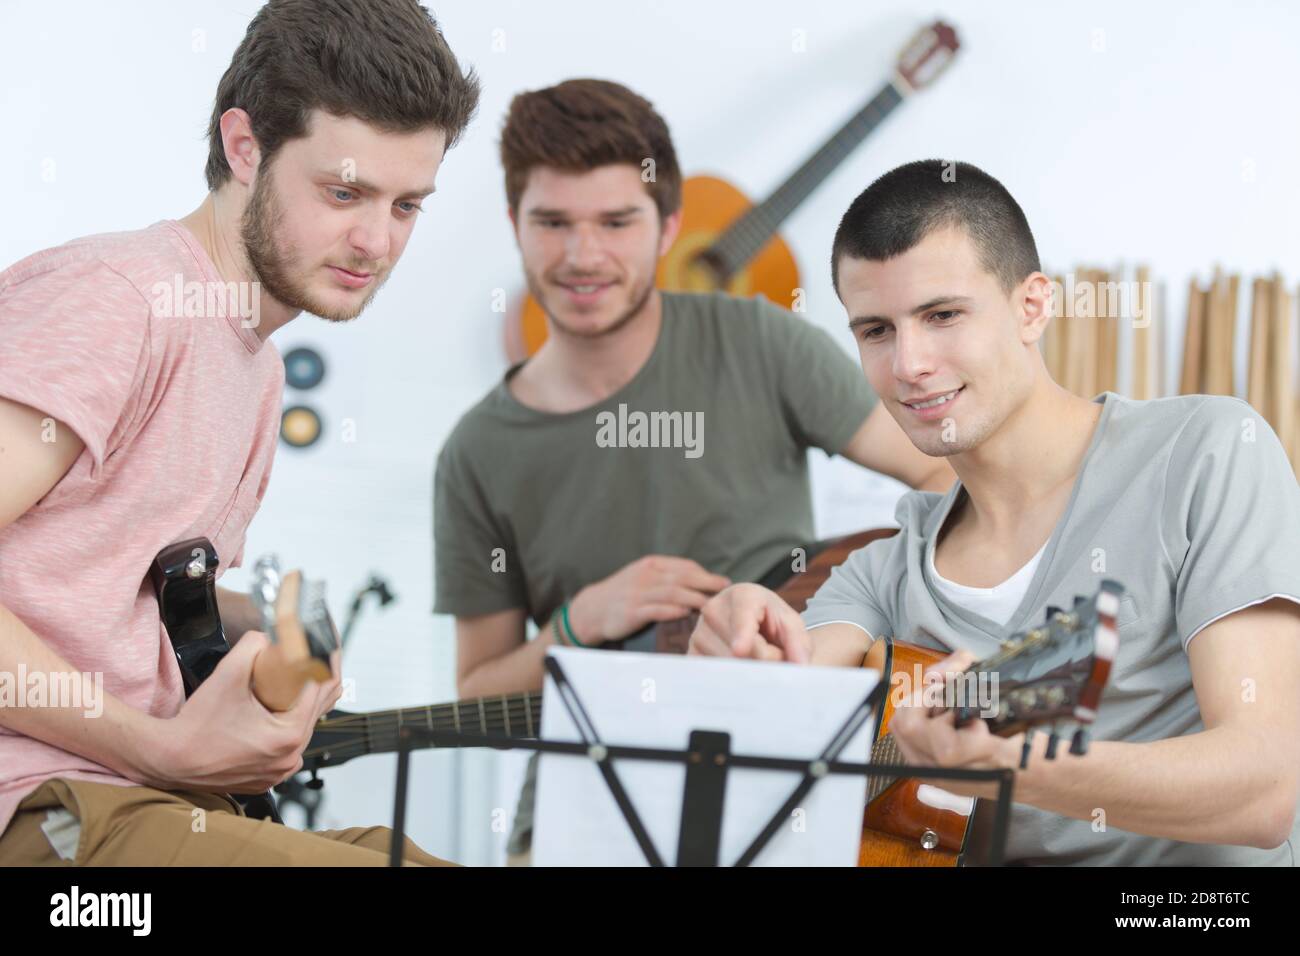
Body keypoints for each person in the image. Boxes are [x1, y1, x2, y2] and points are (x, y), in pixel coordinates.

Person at [688, 159, 1300, 865]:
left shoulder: (1207, 451)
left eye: (942, 315)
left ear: (1032, 306)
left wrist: (1011, 765)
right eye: (876, 331)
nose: (908, 363)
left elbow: (1264, 791)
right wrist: (744, 640)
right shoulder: (883, 570)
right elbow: (788, 707)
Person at [0, 0, 479, 866]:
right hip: (45, 812)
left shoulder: (251, 366)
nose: (376, 240)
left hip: (146, 804)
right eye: (345, 192)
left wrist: (278, 644)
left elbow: (115, 591)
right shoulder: (122, 302)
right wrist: (158, 750)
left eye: (408, 205)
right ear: (244, 146)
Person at [433, 80, 953, 862]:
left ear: (668, 224)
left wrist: (867, 636)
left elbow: (947, 480)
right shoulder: (476, 452)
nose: (583, 255)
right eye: (552, 222)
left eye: (616, 221)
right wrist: (579, 623)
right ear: (515, 224)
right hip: (590, 804)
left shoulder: (761, 343)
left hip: (783, 780)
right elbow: (476, 697)